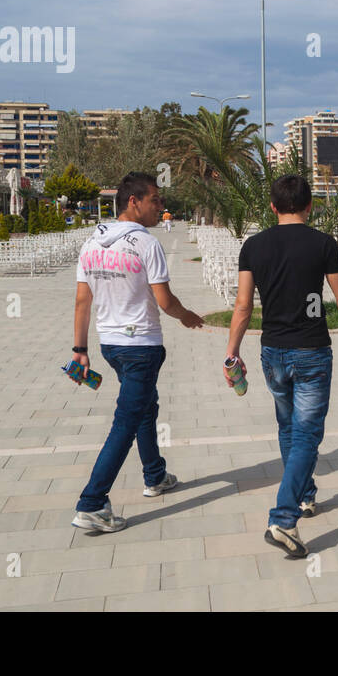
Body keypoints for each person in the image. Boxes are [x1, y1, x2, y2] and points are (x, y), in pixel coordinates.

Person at [225, 174, 338, 558]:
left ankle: (304, 495)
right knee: (305, 435)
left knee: (288, 428)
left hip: (272, 352)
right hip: (312, 352)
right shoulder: (323, 244)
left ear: (272, 206)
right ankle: (284, 518)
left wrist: (232, 350)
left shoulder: (253, 246)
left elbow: (242, 306)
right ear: (310, 206)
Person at [69, 172, 205, 532]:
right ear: (134, 202)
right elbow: (165, 301)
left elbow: (83, 300)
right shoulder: (146, 244)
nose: (160, 207)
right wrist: (187, 316)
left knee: (146, 406)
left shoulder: (92, 243)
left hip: (111, 345)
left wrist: (80, 349)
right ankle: (92, 503)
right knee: (126, 421)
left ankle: (155, 475)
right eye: (155, 200)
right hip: (141, 346)